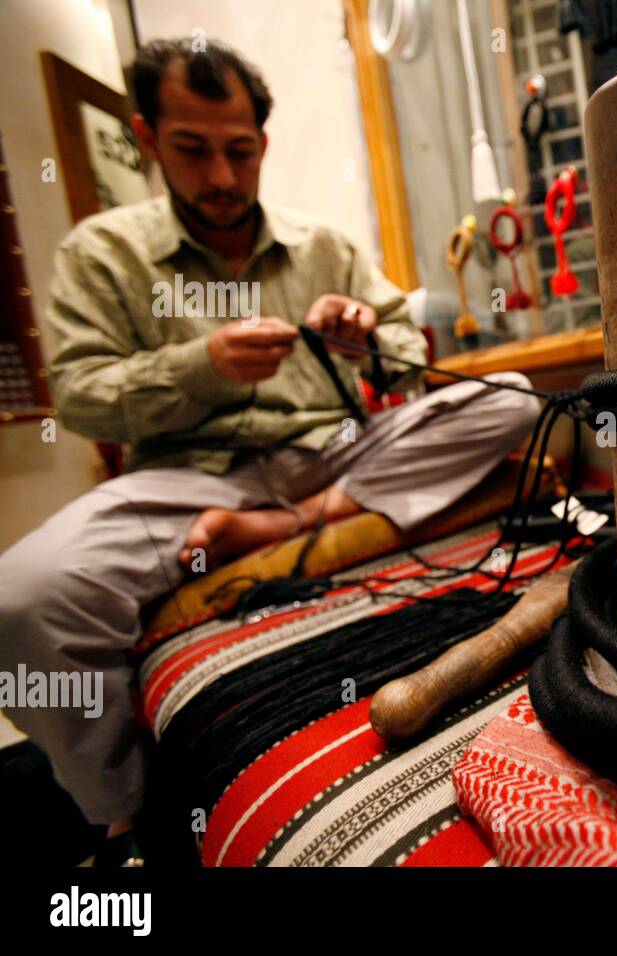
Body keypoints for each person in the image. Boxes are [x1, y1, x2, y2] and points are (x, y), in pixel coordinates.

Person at [0, 39, 539, 864]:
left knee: (514, 400)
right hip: (185, 479)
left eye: (239, 151)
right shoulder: (99, 254)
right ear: (146, 139)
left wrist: (367, 341)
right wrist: (199, 366)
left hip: (340, 454)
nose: (221, 175)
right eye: (192, 149)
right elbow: (78, 396)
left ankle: (288, 526)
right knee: (21, 601)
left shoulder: (326, 247)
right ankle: (123, 813)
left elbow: (405, 350)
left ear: (263, 144)